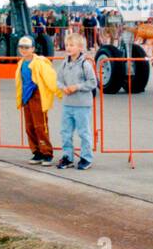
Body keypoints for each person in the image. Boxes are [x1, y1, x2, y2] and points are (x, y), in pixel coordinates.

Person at [55, 32, 97, 170]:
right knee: (65, 132)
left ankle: (86, 157)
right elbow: (58, 80)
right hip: (68, 104)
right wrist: (63, 88)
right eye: (67, 45)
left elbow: (92, 82)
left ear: (80, 47)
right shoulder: (64, 63)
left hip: (82, 105)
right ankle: (68, 157)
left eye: (71, 45)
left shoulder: (85, 64)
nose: (68, 47)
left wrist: (77, 87)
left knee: (83, 132)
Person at [15, 35, 59, 165]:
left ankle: (47, 152)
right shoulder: (21, 63)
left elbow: (50, 78)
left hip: (37, 96)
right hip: (26, 97)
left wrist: (59, 92)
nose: (23, 50)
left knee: (40, 126)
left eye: (27, 47)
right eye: (21, 47)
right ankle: (37, 152)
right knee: (29, 126)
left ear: (33, 48)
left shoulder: (40, 62)